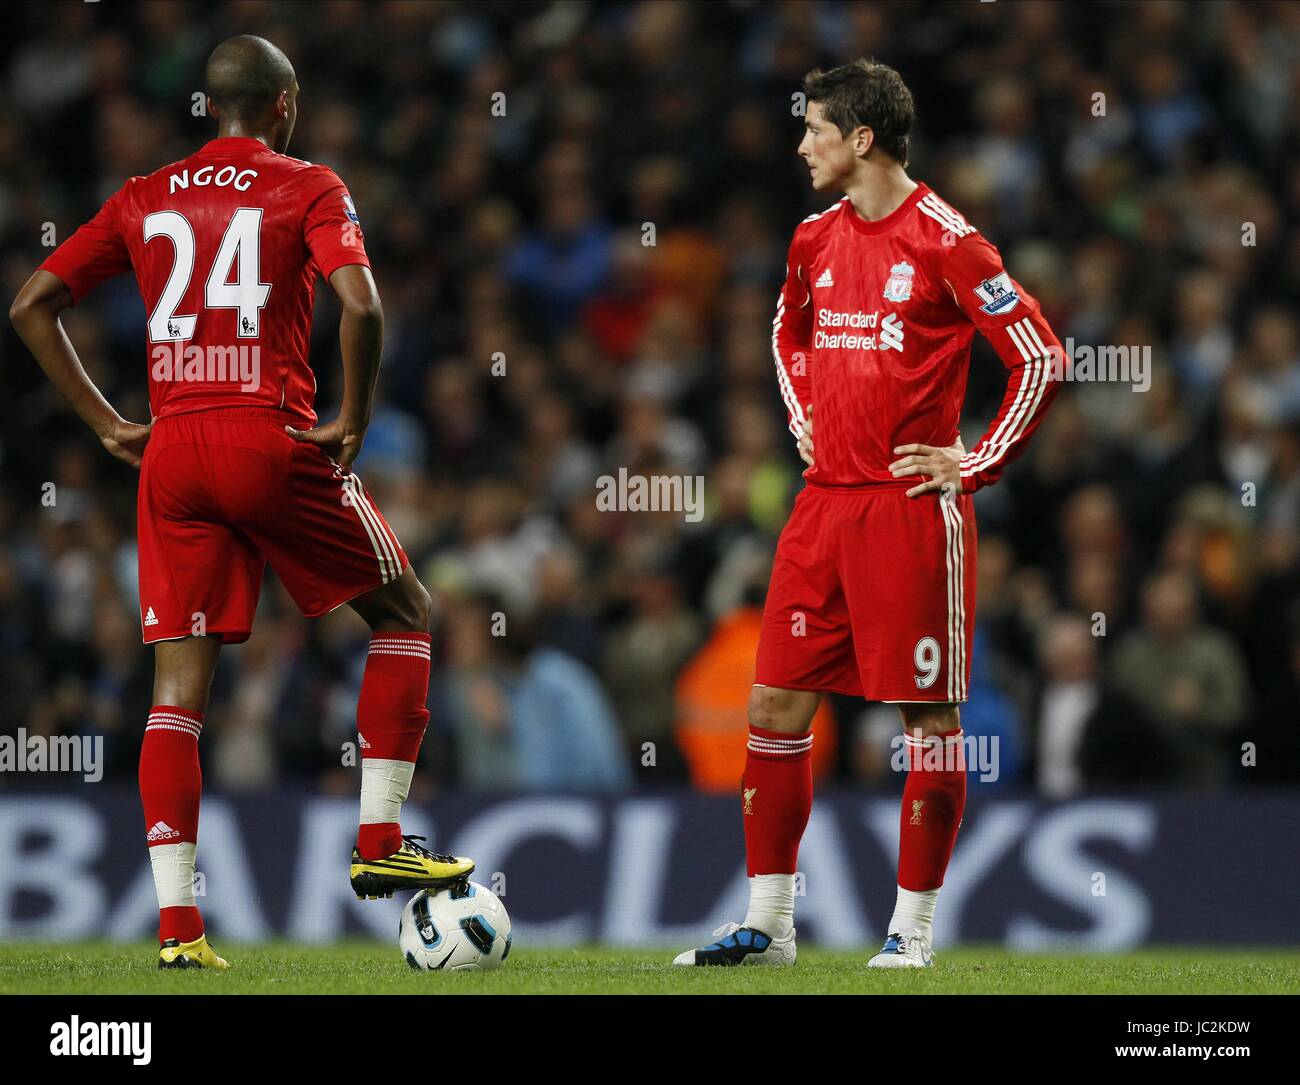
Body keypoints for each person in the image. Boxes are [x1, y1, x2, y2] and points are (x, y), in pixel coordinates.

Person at [9, 35, 473, 970]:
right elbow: (365, 306)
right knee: (404, 612)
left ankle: (180, 929)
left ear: (207, 107)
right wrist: (355, 417)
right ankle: (381, 841)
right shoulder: (308, 184)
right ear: (285, 104)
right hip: (269, 433)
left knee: (175, 698)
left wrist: (108, 426)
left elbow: (30, 305)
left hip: (173, 451)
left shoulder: (143, 194)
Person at [674, 60, 1063, 968]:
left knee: (924, 718)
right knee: (771, 703)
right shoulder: (812, 237)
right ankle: (770, 924)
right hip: (824, 506)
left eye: (814, 128)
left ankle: (912, 932)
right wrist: (806, 418)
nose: (801, 144)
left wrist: (973, 460)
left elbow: (1040, 358)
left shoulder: (948, 241)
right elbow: (788, 330)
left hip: (909, 511)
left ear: (861, 139)